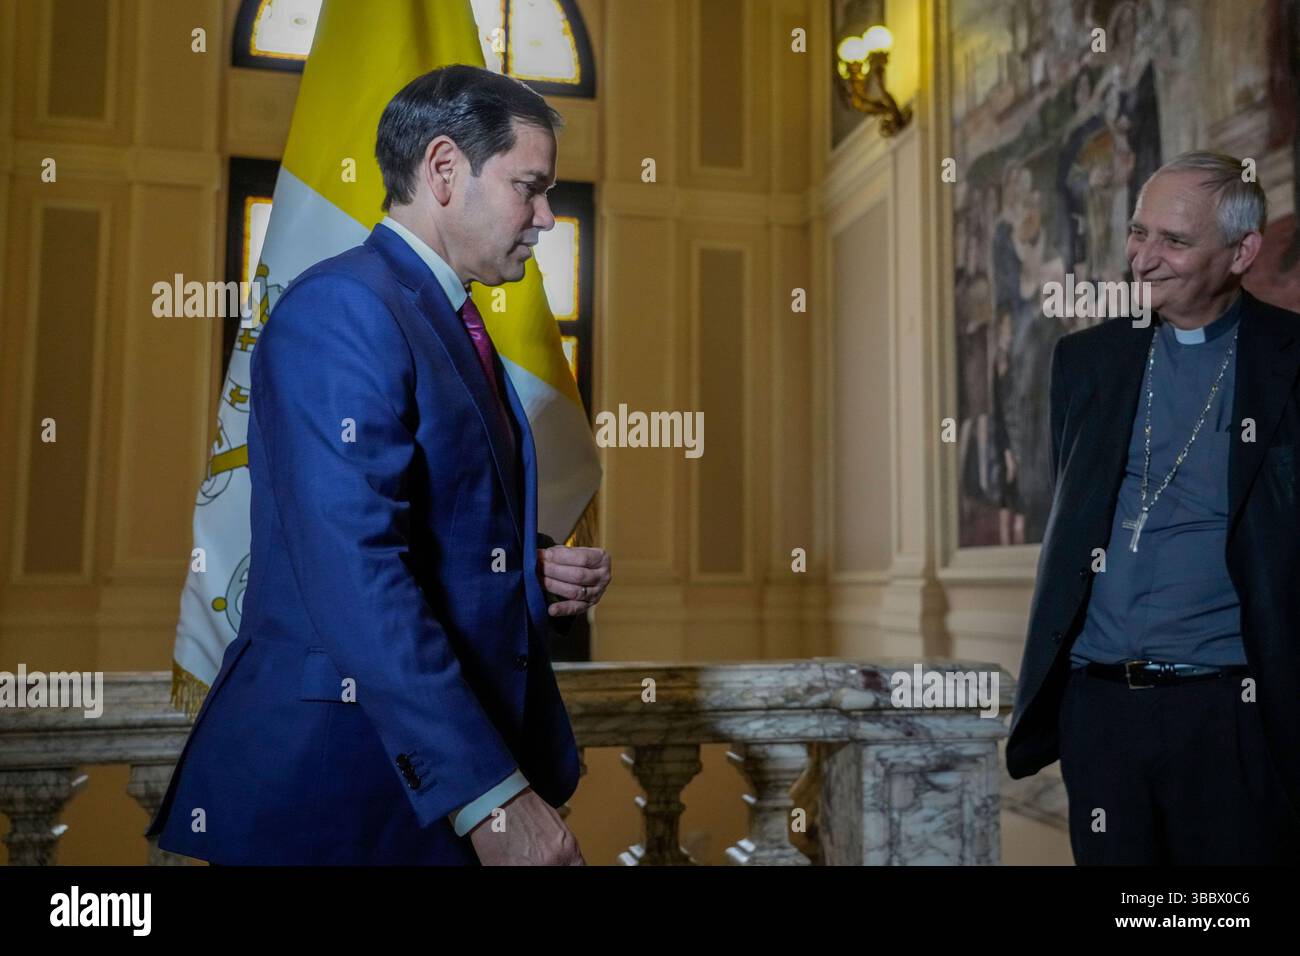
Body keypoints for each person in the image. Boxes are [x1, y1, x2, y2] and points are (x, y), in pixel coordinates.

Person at [146, 65, 611, 865]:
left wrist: (526, 568)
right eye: (529, 188)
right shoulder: (345, 309)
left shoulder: (446, 318)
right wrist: (493, 797)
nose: (546, 218)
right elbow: (355, 570)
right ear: (442, 169)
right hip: (340, 791)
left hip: (417, 778)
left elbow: (419, 523)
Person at [1006, 151, 1300, 864]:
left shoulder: (1290, 358)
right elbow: (1074, 525)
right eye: (1138, 233)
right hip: (1101, 710)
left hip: (1234, 713)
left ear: (1242, 251)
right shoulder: (1085, 362)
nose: (1143, 259)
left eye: (1173, 241)